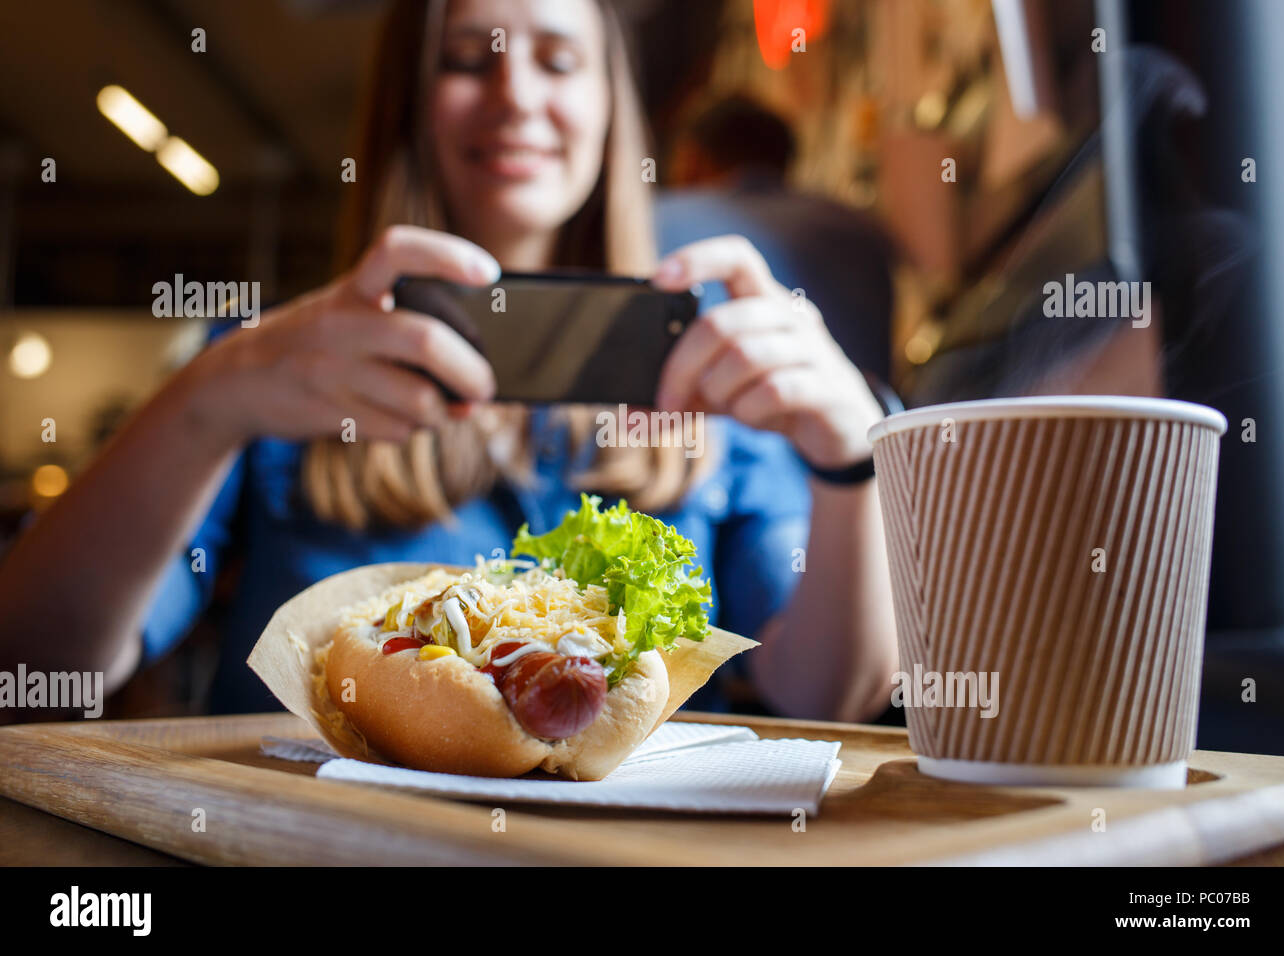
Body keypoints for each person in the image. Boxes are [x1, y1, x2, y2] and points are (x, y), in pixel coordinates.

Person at [0, 0, 897, 723]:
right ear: (408, 103)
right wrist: (207, 400)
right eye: (469, 56)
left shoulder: (708, 384)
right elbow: (35, 664)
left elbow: (828, 698)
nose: (514, 94)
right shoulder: (276, 369)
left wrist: (849, 460)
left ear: (610, 110)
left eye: (557, 58)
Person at [658, 94, 894, 384]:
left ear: (694, 160)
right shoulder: (862, 230)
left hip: (690, 424)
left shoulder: (656, 220)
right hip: (864, 422)